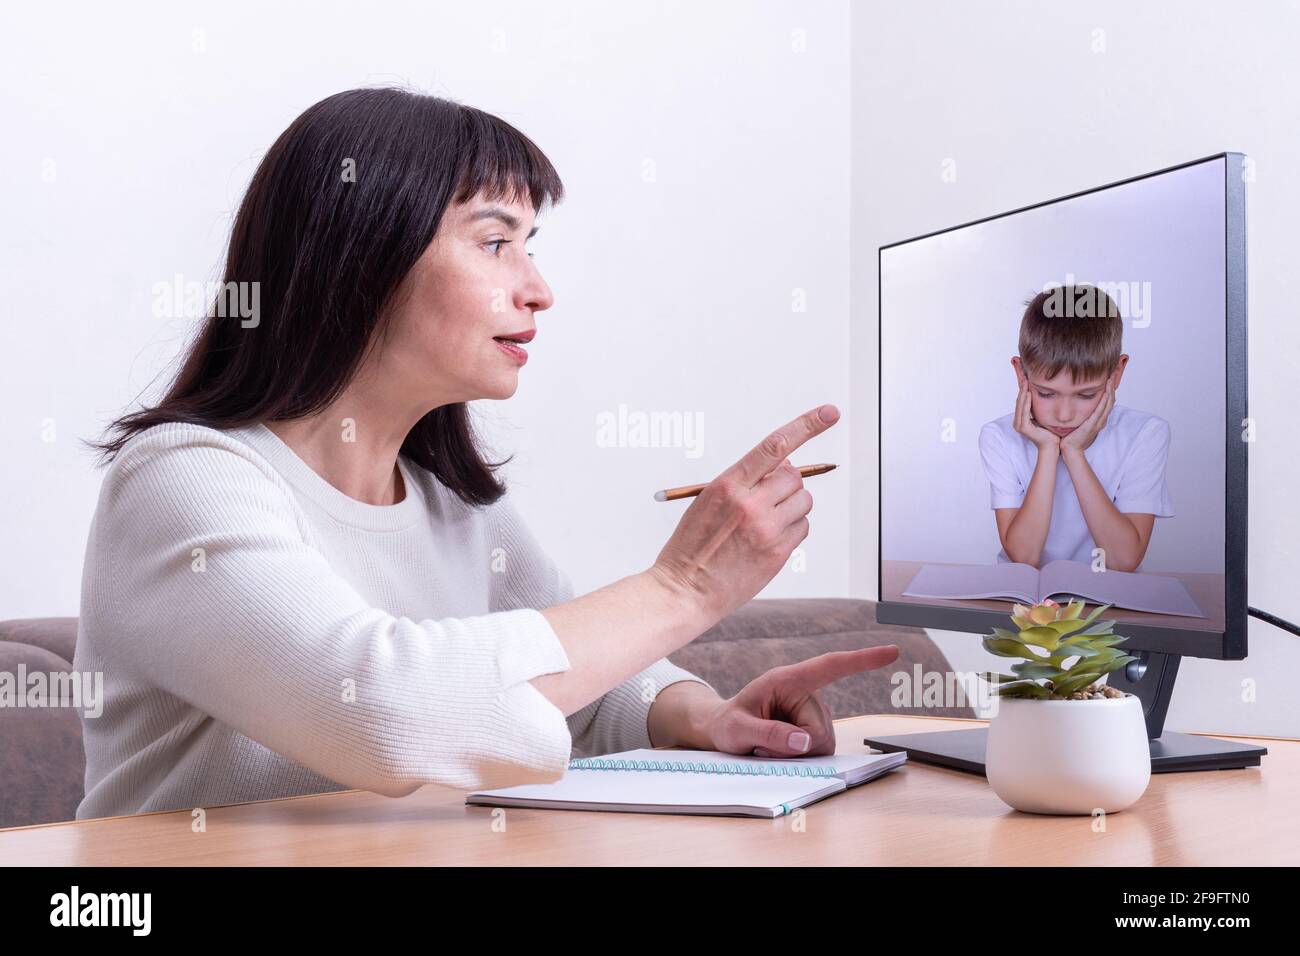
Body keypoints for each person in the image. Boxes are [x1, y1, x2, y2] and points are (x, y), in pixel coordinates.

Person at [74, 87, 898, 819]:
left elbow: (568, 694)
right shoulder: (182, 479)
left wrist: (703, 716)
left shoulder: (453, 504)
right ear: (361, 258)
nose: (538, 288)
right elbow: (380, 714)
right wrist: (682, 587)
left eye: (531, 245)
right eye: (496, 242)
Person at [978, 284, 1174, 572]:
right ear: (1021, 374)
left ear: (1116, 374)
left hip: (1111, 604)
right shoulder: (999, 437)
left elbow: (1123, 560)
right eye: (1046, 394)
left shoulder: (1145, 434)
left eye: (1086, 395)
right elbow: (1024, 557)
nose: (1064, 414)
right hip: (1027, 609)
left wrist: (1073, 452)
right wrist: (1047, 451)